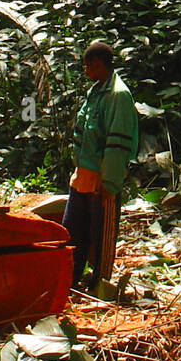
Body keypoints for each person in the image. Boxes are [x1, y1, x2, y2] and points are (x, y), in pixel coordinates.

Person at [63, 41, 139, 290]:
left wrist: (109, 183)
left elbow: (118, 144)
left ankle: (100, 285)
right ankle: (69, 280)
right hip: (82, 176)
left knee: (101, 238)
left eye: (88, 66)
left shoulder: (118, 96)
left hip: (100, 180)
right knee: (72, 232)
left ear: (98, 65)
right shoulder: (95, 91)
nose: (85, 71)